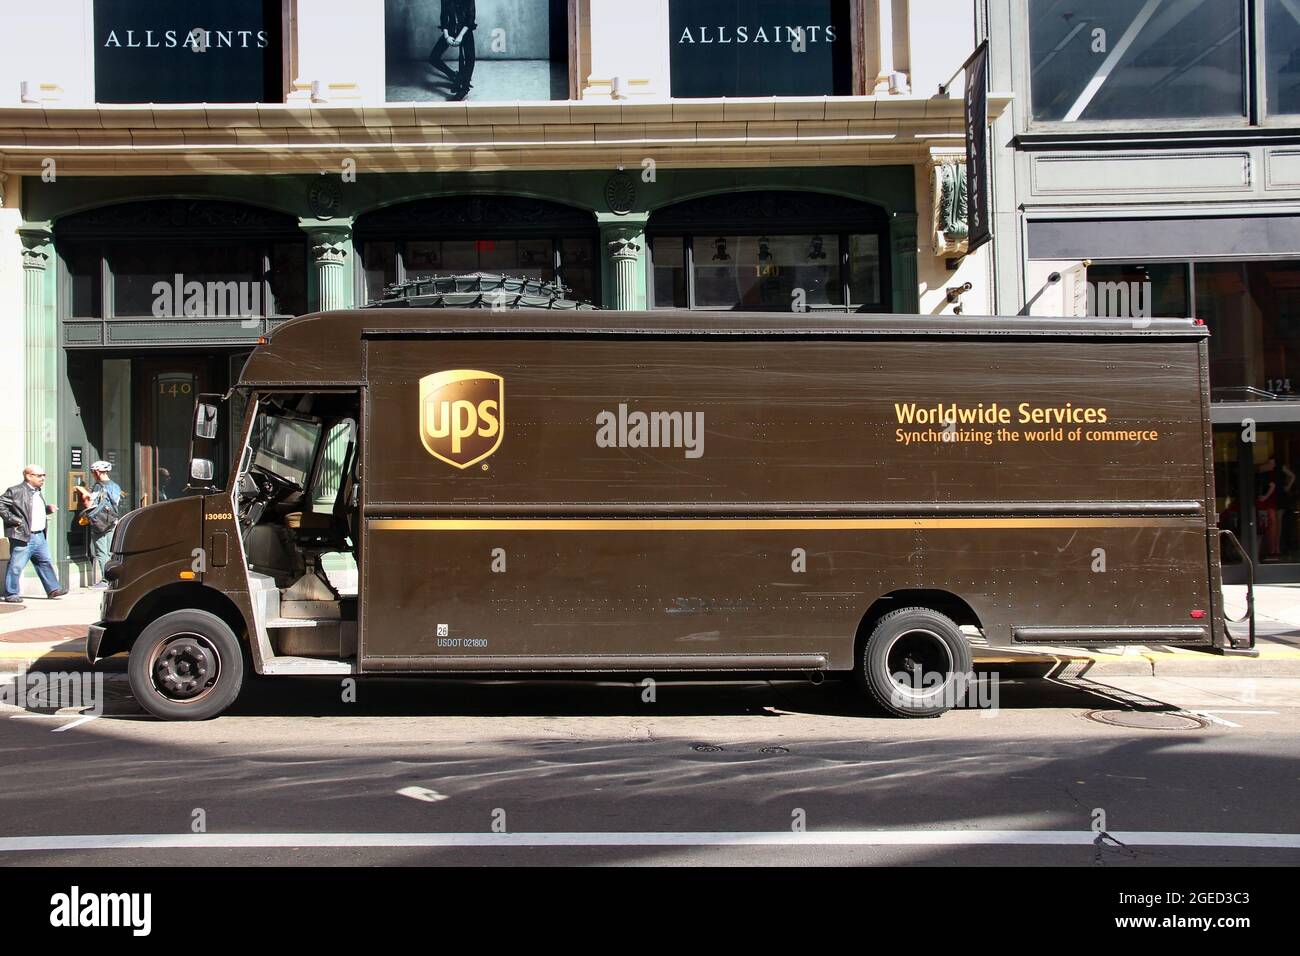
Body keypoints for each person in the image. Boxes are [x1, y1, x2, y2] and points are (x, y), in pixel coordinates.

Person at [0, 465, 66, 602]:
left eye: (44, 475)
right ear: (29, 476)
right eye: (39, 475)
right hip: (23, 535)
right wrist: (14, 520)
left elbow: (30, 511)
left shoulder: (36, 492)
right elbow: (1, 504)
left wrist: (47, 509)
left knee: (44, 562)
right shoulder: (16, 491)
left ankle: (53, 589)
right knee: (16, 566)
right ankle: (11, 593)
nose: (43, 478)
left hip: (39, 535)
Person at [75, 460, 123, 588]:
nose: (92, 474)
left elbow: (91, 503)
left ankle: (105, 580)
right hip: (112, 521)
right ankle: (114, 578)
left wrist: (83, 492)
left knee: (101, 552)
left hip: (99, 523)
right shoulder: (115, 486)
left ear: (97, 472)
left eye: (92, 472)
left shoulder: (98, 486)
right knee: (110, 552)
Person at [427, 0, 477, 101]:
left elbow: (470, 18)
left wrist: (460, 36)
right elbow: (444, 16)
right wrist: (446, 36)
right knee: (433, 58)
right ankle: (453, 75)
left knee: (470, 58)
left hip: (465, 30)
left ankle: (465, 87)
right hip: (450, 30)